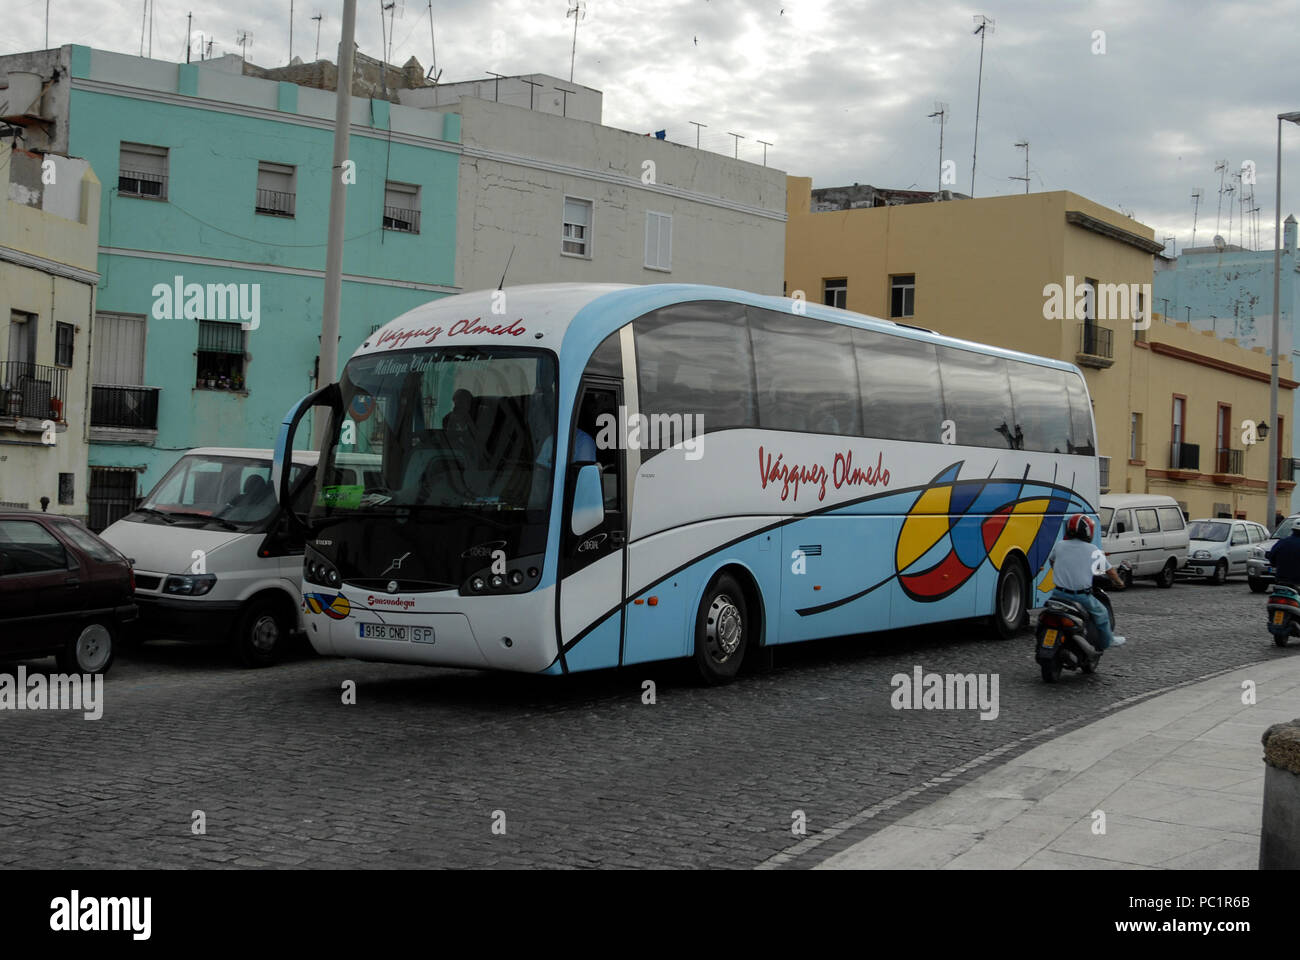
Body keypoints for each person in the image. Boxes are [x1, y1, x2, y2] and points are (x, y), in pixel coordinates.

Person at [1047, 513, 1127, 649]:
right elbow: (1110, 571)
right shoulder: (1092, 549)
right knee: (1102, 613)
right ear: (1087, 531)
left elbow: (1052, 560)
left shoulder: (1060, 545)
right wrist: (1119, 583)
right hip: (1081, 596)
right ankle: (1108, 641)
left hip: (1058, 594)